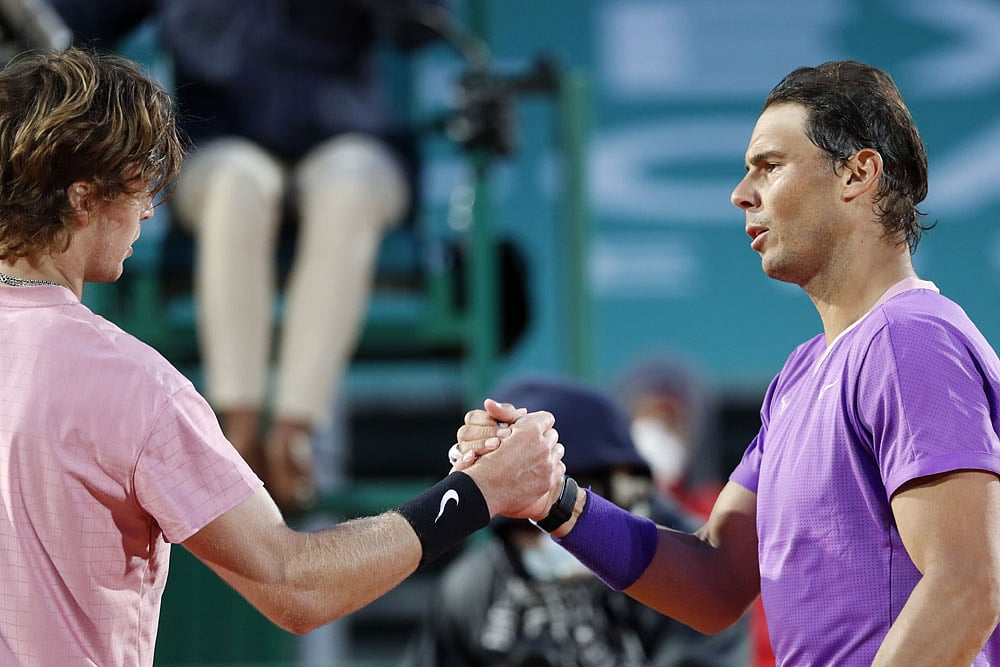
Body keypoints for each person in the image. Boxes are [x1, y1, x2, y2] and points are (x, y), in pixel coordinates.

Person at [0, 47, 566, 666]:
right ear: (82, 200)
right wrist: (481, 490)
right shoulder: (134, 387)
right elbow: (296, 586)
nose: (148, 207)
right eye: (134, 183)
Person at [460, 60, 1000, 665]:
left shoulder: (910, 341)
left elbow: (966, 586)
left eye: (770, 165)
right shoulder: (802, 374)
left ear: (857, 173)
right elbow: (716, 579)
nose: (742, 193)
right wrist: (552, 498)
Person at [51, 0, 446, 509]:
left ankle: (294, 431)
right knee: (239, 185)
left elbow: (421, 25)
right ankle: (236, 433)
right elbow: (68, 24)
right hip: (218, 146)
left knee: (347, 188)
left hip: (352, 139)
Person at [404, 375, 750, 667]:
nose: (544, 529)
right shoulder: (475, 588)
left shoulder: (684, 565)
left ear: (617, 486)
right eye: (521, 516)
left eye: (551, 503)